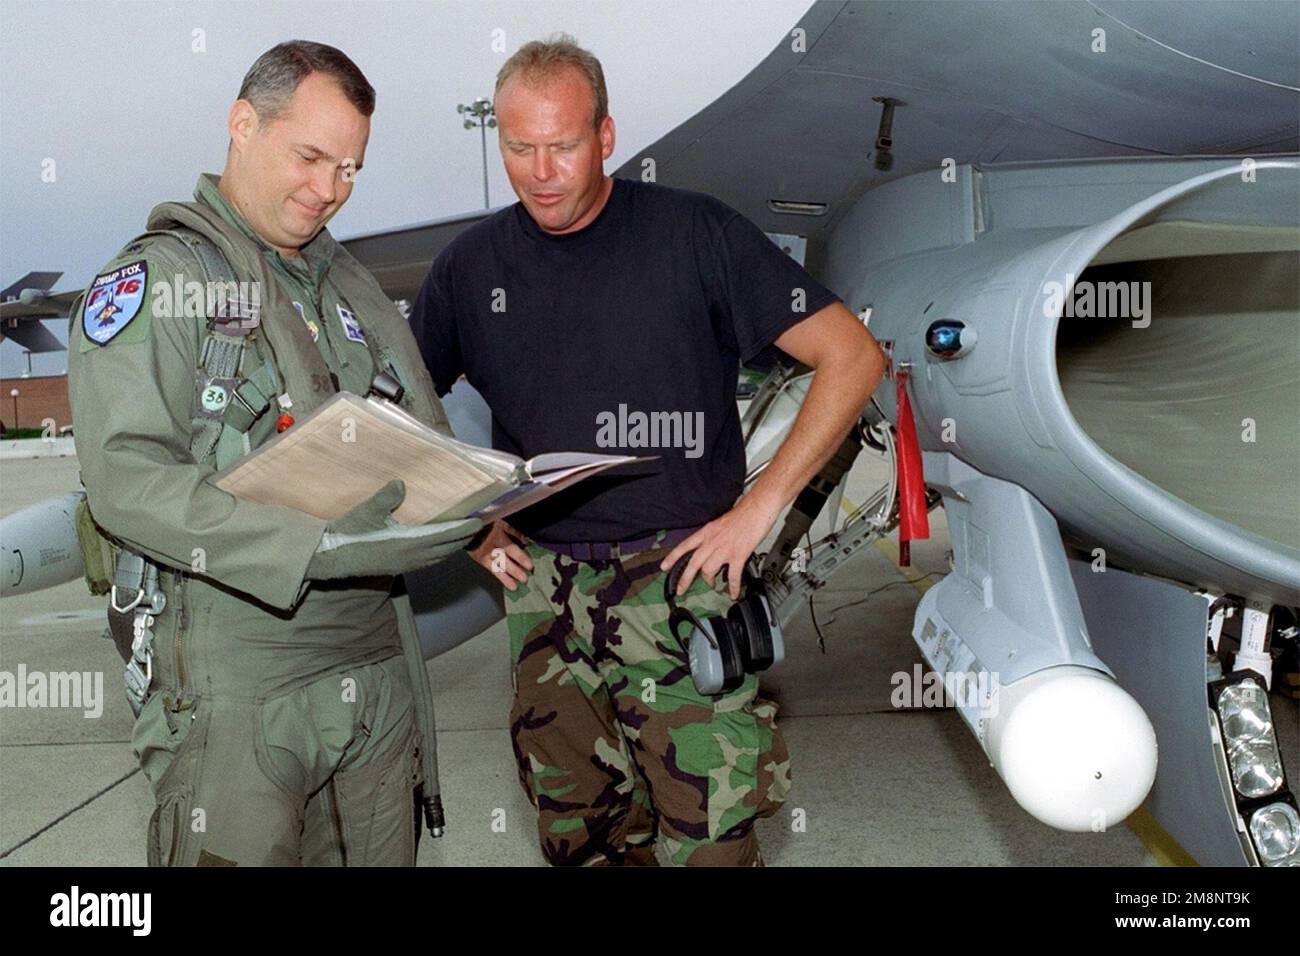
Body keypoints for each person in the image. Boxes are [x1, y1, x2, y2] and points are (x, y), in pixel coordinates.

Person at [410, 35, 886, 866]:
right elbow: (402, 410)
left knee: (710, 840)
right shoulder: (469, 267)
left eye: (562, 145)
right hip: (544, 600)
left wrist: (759, 510)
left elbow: (852, 356)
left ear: (605, 137)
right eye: (518, 147)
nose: (540, 170)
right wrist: (470, 520)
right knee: (579, 837)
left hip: (681, 580)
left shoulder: (695, 236)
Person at [67, 40, 480, 866]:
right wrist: (310, 544)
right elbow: (128, 481)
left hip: (374, 658)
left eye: (351, 170)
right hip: (238, 675)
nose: (330, 190)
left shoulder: (347, 290)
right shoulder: (161, 281)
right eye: (312, 156)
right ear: (244, 124)